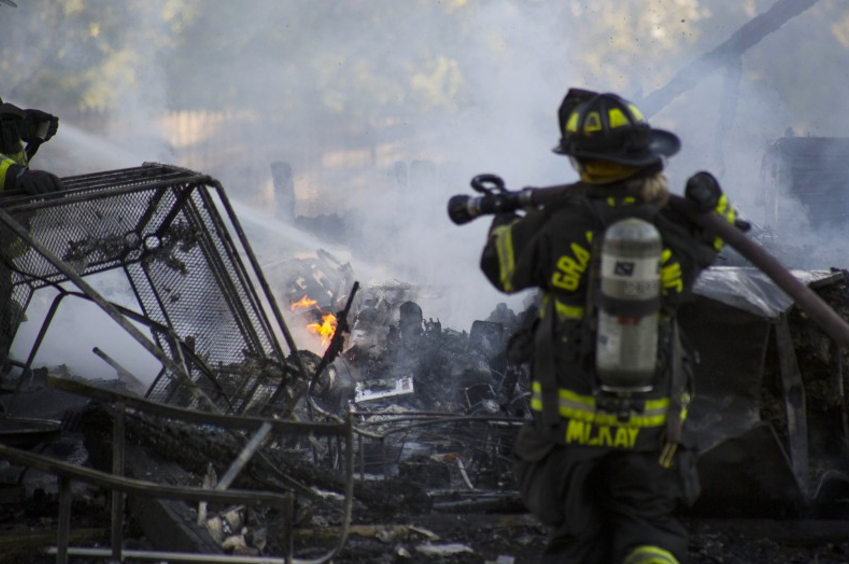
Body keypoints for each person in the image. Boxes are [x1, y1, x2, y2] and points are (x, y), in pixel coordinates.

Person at [478, 89, 737, 563]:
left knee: (576, 541)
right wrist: (711, 200)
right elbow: (723, 234)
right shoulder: (676, 228)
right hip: (652, 430)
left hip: (568, 435)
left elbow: (500, 266)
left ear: (581, 162)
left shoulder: (559, 224)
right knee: (650, 532)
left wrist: (503, 214)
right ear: (646, 157)